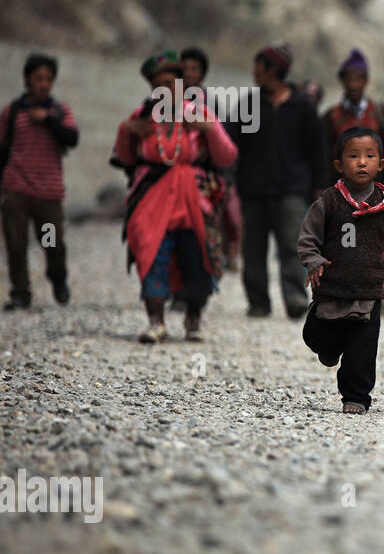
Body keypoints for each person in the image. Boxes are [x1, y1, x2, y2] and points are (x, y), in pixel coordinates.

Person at [298, 127, 384, 414]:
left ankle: (355, 396)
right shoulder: (328, 201)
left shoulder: (383, 204)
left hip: (368, 290)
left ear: (380, 164)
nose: (361, 162)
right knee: (316, 337)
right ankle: (328, 351)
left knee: (362, 349)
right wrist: (313, 260)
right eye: (353, 156)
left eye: (369, 156)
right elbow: (308, 238)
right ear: (339, 165)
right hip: (331, 288)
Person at [113, 51, 236, 342]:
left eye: (171, 83)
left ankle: (193, 318)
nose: (165, 90)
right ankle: (156, 321)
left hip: (193, 197)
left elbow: (226, 157)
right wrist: (126, 131)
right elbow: (126, 156)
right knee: (150, 252)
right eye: (159, 84)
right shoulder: (142, 116)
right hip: (152, 197)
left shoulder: (200, 113)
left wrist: (210, 129)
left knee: (197, 255)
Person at [231, 42, 324, 319]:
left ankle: (295, 297)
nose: (254, 73)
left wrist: (318, 186)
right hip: (254, 190)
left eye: (259, 67)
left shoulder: (302, 106)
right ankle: (258, 302)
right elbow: (232, 145)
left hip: (292, 190)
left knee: (293, 246)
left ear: (274, 71)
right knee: (253, 249)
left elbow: (316, 149)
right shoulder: (249, 104)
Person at [1, 53, 78, 311]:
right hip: (17, 191)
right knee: (16, 244)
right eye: (39, 78)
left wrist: (48, 120)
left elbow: (71, 138)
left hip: (48, 194)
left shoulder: (60, 111)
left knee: (51, 243)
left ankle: (57, 279)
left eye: (48, 79)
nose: (44, 84)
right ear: (27, 80)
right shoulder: (12, 113)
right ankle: (20, 293)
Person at [319, 49, 384, 204]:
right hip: (341, 197)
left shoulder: (381, 114)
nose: (354, 85)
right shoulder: (331, 117)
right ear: (343, 82)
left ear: (366, 81)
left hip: (381, 193)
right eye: (349, 79)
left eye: (358, 79)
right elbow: (320, 155)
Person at [181, 45, 243, 275]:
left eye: (194, 69)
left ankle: (208, 270)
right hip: (176, 174)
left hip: (207, 175)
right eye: (185, 68)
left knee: (208, 225)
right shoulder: (167, 102)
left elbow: (223, 141)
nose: (189, 73)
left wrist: (226, 177)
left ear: (203, 73)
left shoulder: (211, 104)